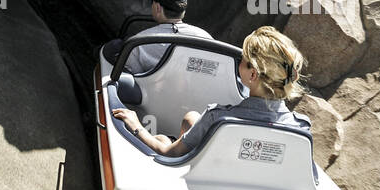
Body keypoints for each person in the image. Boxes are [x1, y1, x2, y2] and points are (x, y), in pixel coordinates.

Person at [112, 25, 310, 157]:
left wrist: (136, 126)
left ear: (252, 75)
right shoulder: (301, 128)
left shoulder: (217, 119)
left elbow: (169, 153)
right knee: (191, 119)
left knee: (164, 138)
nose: (239, 62)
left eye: (243, 60)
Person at [102, 0, 211, 75]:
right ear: (183, 11)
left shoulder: (140, 42)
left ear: (158, 8)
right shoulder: (206, 38)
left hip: (157, 95)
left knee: (112, 48)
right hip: (198, 95)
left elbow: (134, 75)